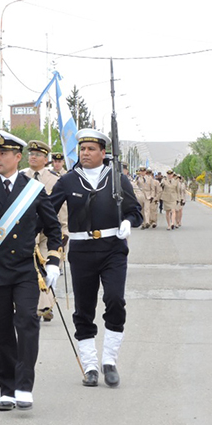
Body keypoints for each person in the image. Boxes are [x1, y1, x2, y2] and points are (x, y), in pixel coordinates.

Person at [50, 129, 142, 389]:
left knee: (114, 299)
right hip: (81, 250)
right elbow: (48, 211)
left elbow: (135, 211)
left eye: (91, 149)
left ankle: (109, 360)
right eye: (82, 149)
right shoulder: (68, 181)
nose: (85, 153)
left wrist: (127, 221)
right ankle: (90, 365)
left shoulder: (117, 179)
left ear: (104, 152)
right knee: (84, 308)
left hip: (113, 248)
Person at [0, 130, 62, 411]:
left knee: (27, 322)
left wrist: (52, 261)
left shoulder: (33, 189)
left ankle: (24, 385)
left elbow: (53, 229)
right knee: (0, 332)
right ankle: (6, 388)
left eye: (3, 154)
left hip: (25, 269)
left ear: (17, 157)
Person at [20, 139, 68, 322]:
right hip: (27, 231)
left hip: (49, 232)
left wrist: (64, 232)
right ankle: (43, 305)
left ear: (45, 158)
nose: (33, 157)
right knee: (33, 269)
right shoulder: (20, 177)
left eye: (37, 155)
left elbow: (62, 209)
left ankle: (44, 304)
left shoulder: (54, 180)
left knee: (47, 269)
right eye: (31, 154)